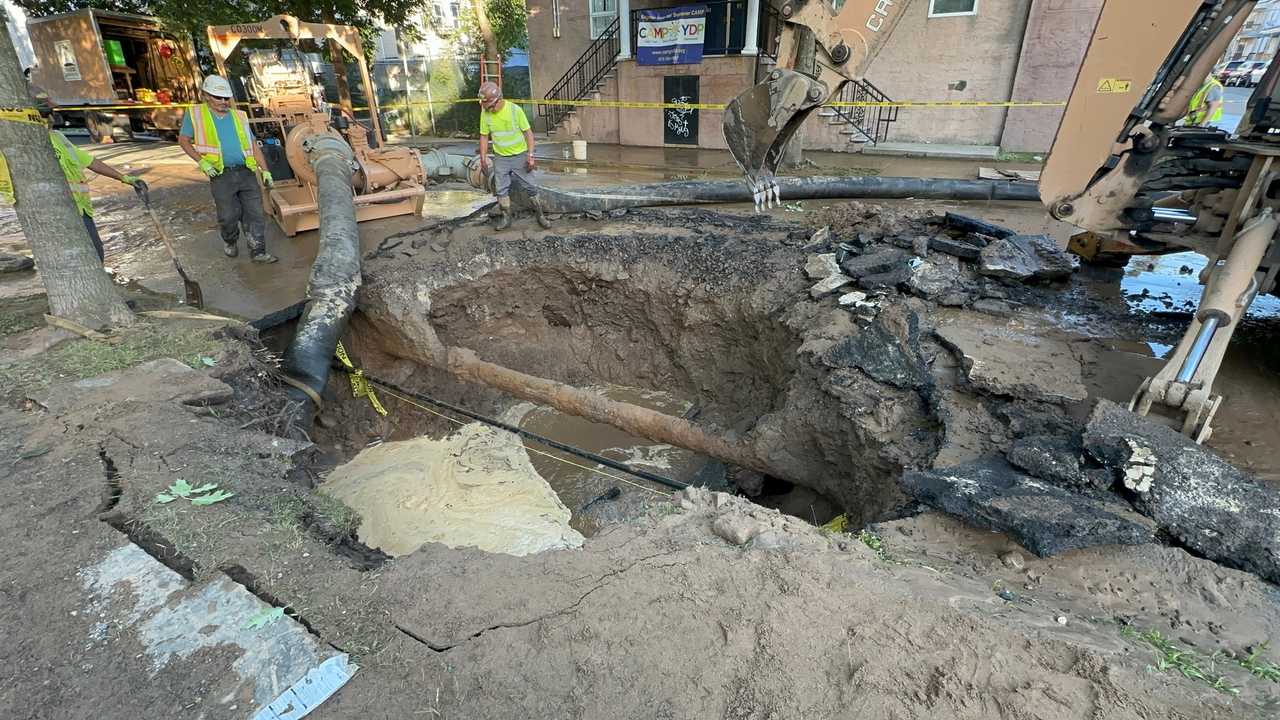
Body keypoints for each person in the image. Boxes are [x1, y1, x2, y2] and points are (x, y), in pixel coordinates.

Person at [31, 86, 146, 263]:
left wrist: (124, 178)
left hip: (81, 208)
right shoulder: (31, 145)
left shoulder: (58, 137)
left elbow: (91, 162)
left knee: (96, 252)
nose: (52, 117)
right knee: (82, 258)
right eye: (47, 113)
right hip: (60, 212)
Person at [178, 75, 277, 263]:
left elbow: (252, 144)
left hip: (246, 172)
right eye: (218, 97)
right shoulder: (195, 115)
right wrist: (202, 162)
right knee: (228, 215)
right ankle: (230, 239)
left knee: (255, 213)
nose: (224, 101)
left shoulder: (239, 116)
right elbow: (183, 140)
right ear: (206, 96)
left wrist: (265, 170)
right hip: (221, 175)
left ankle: (258, 251)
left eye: (226, 98)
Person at [477, 81, 551, 230]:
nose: (489, 109)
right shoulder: (485, 113)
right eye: (487, 107)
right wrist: (483, 158)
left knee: (530, 186)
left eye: (491, 106)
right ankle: (506, 218)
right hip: (500, 158)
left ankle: (540, 215)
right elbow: (484, 136)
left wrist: (530, 155)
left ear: (499, 100)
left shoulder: (514, 110)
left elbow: (528, 133)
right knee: (501, 189)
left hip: (519, 156)